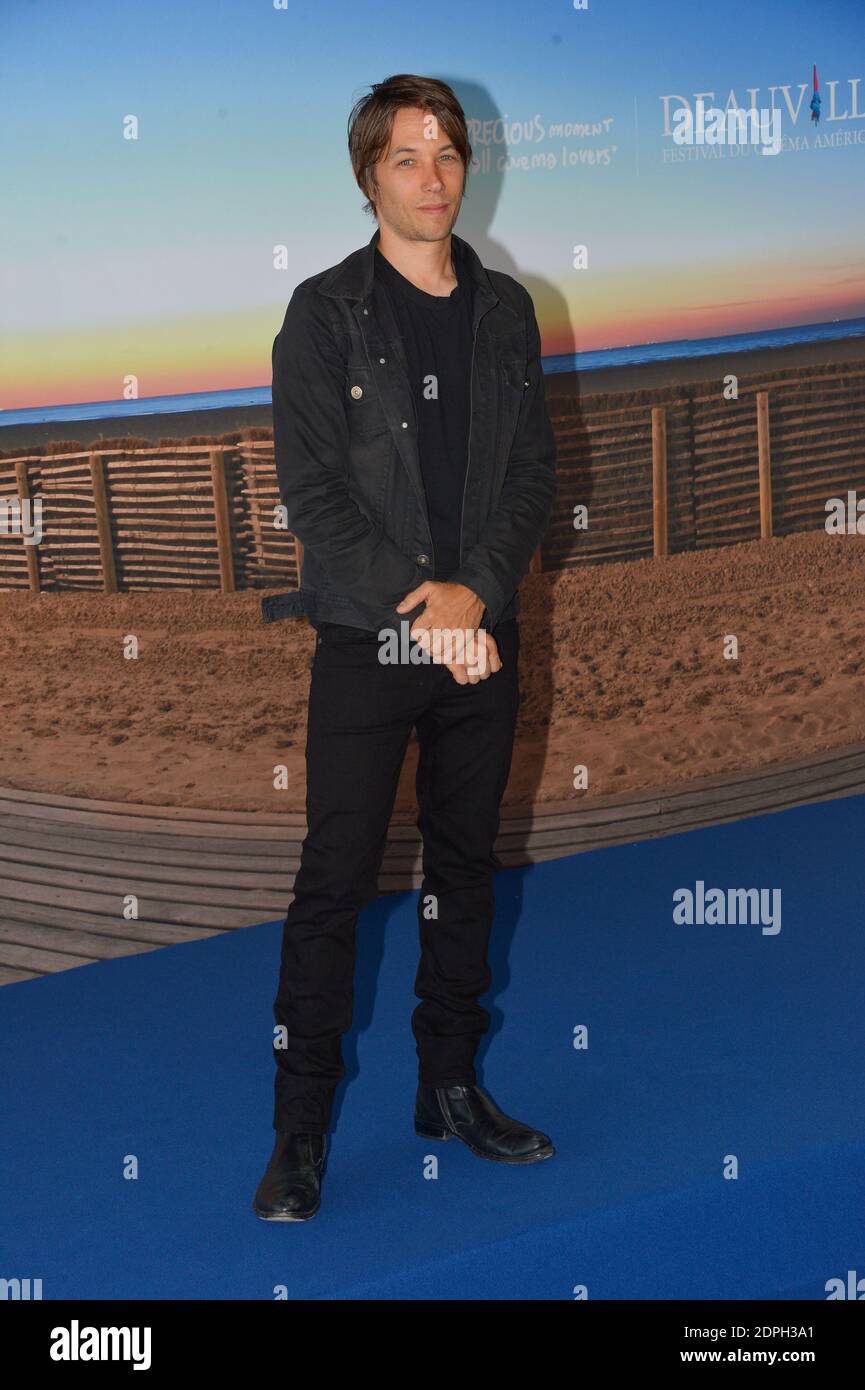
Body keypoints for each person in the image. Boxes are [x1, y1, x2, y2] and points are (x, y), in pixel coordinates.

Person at [253, 73, 558, 1220]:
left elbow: (531, 474)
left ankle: (450, 1083)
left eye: (447, 155)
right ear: (368, 176)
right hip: (368, 642)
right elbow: (313, 495)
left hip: (482, 638)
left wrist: (476, 595)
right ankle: (298, 1132)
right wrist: (426, 606)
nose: (432, 179)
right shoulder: (323, 312)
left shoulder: (508, 311)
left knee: (465, 869)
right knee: (334, 882)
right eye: (405, 159)